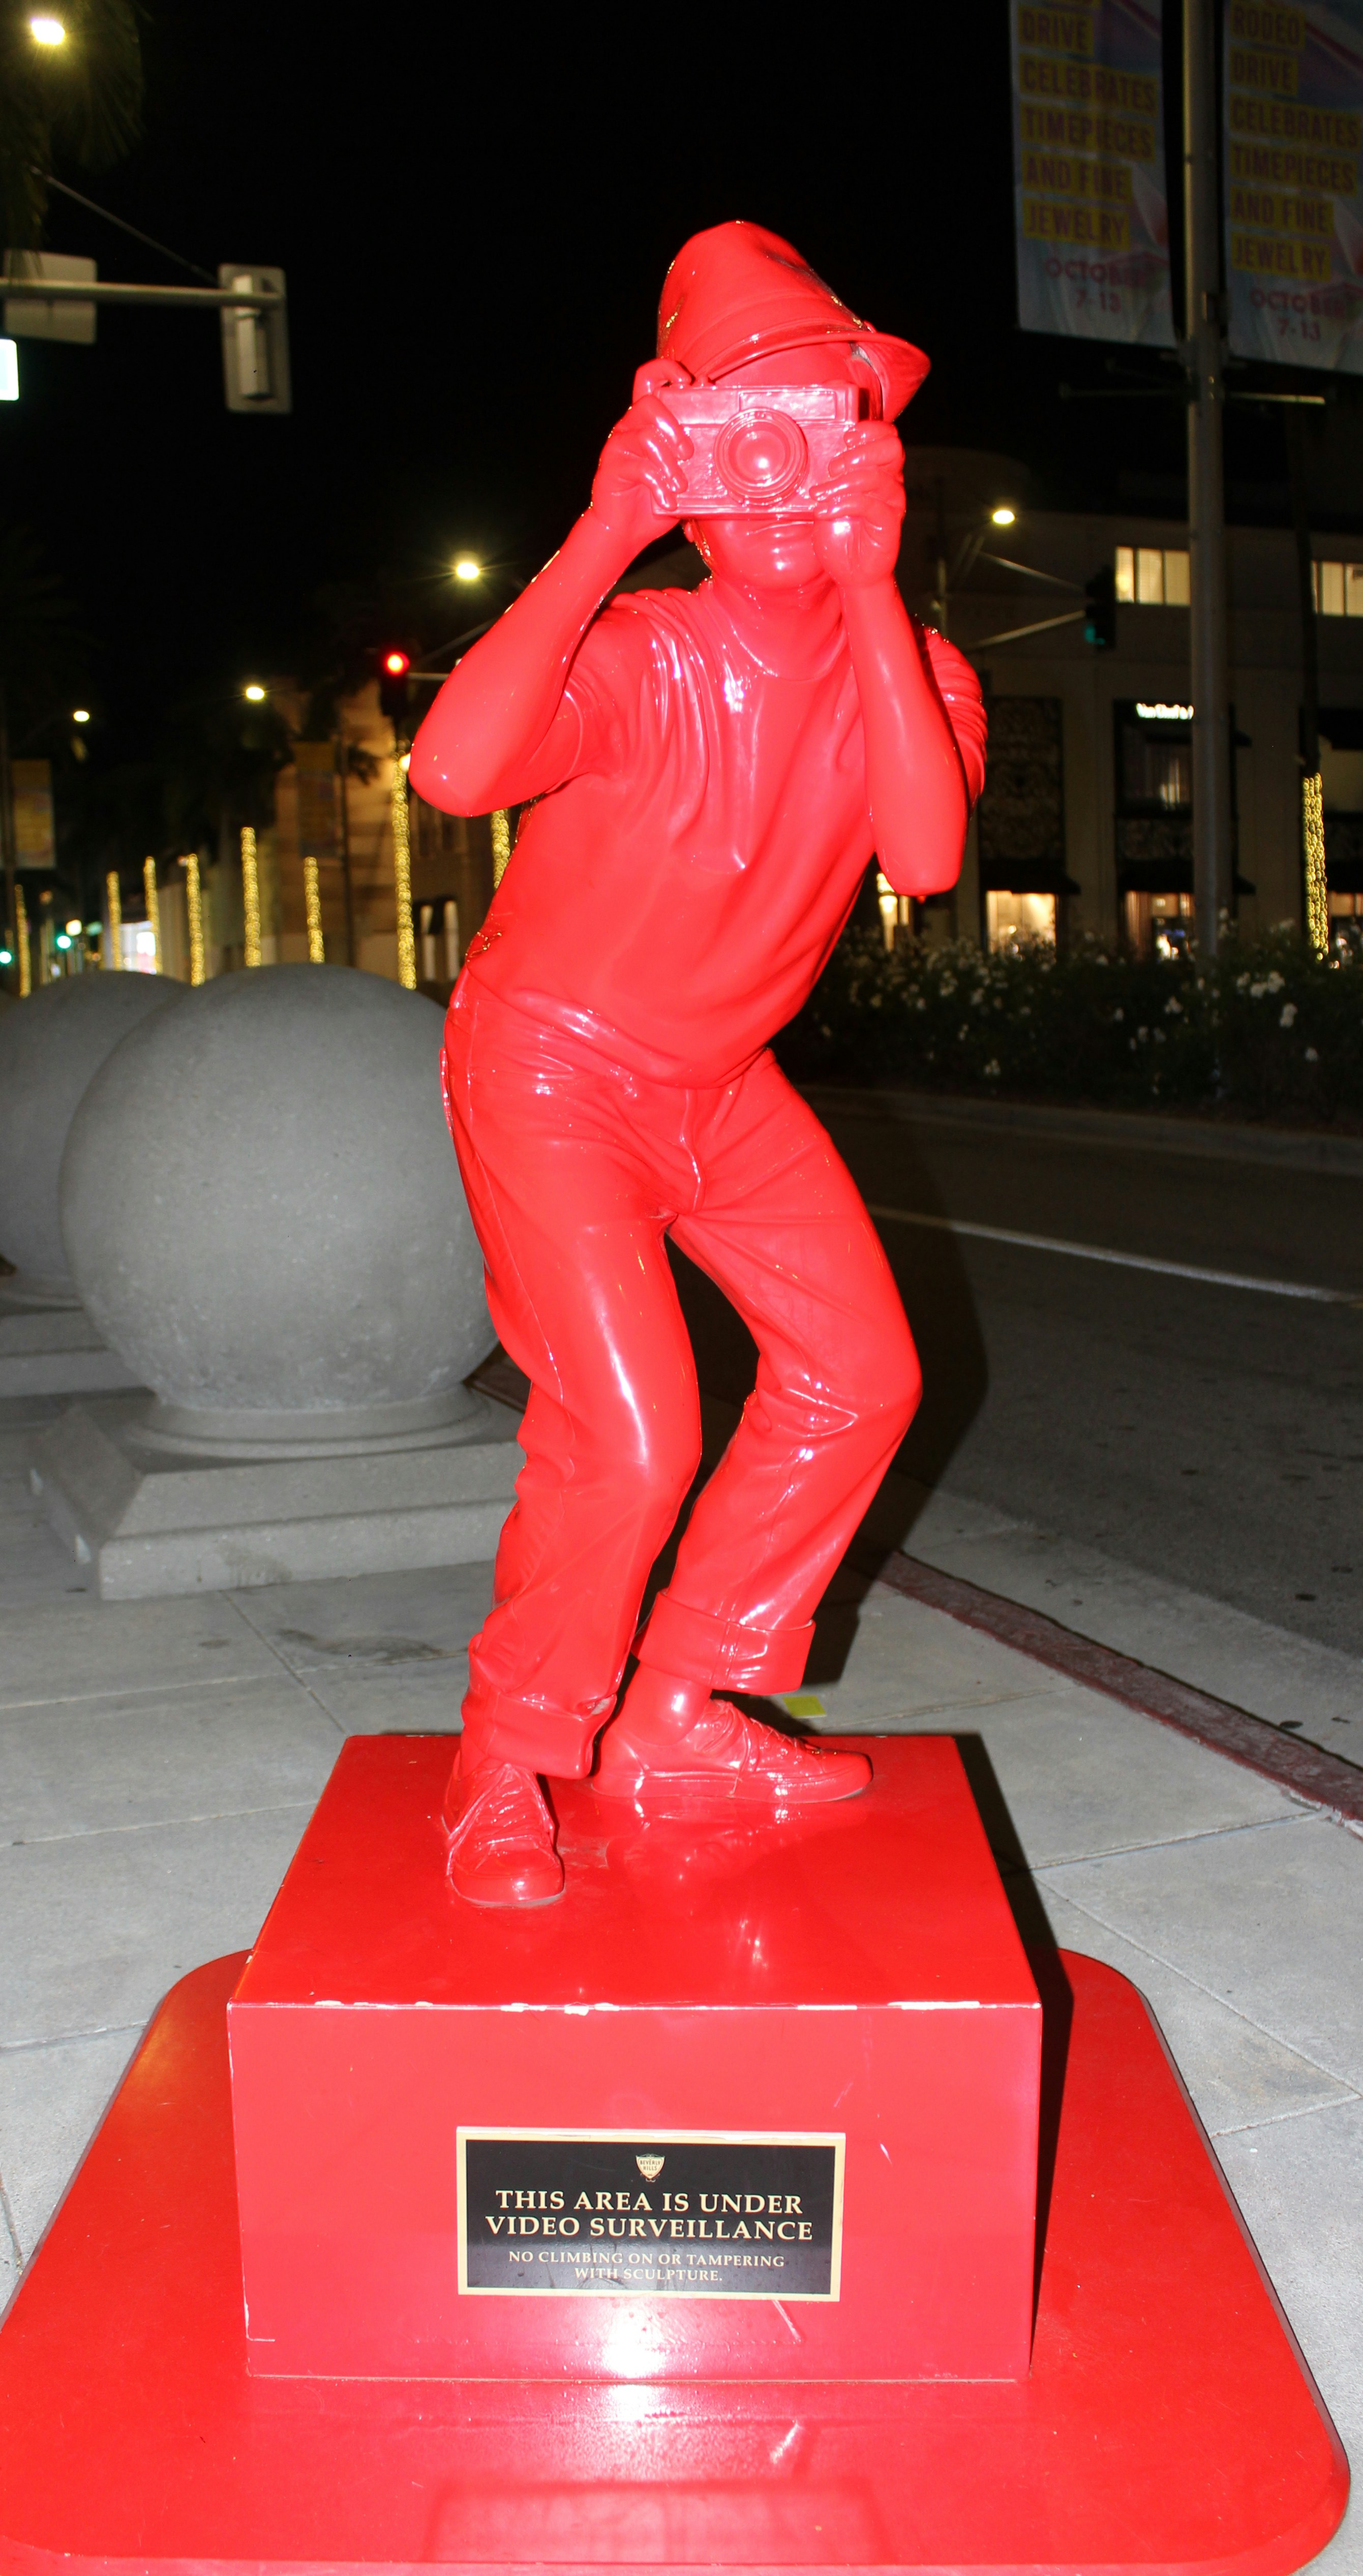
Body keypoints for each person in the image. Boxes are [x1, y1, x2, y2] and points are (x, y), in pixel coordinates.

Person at [411, 222, 987, 1906]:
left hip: (724, 1089)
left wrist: (875, 581)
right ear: (676, 449)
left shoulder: (918, 669)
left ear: (874, 444)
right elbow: (457, 771)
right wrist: (609, 522)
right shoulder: (648, 647)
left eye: (816, 424)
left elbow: (931, 858)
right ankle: (508, 1758)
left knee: (861, 1378)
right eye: (735, 439)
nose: (775, 475)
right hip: (553, 1072)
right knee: (634, 1432)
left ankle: (677, 1710)